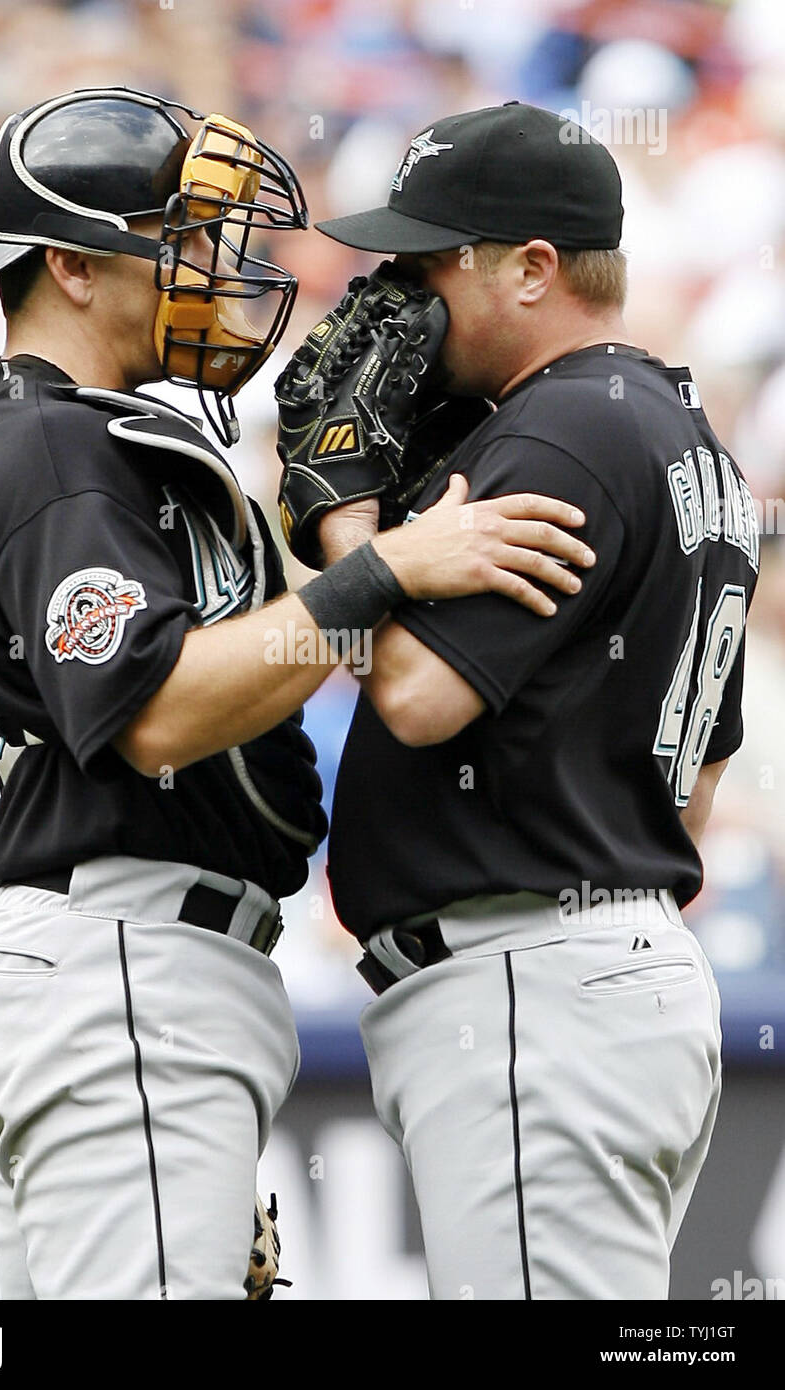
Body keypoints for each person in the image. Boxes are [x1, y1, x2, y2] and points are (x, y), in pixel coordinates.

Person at [0, 88, 592, 1300]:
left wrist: (344, 537)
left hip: (114, 965)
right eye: (177, 234)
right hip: (120, 966)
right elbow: (159, 709)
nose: (213, 265)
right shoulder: (54, 449)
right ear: (71, 262)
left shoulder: (58, 435)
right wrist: (385, 570)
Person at [313, 101, 759, 1300]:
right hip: (611, 970)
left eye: (427, 261)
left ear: (531, 267)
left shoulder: (556, 429)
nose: (398, 297)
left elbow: (413, 697)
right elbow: (698, 781)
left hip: (528, 988)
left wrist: (351, 524)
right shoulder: (679, 436)